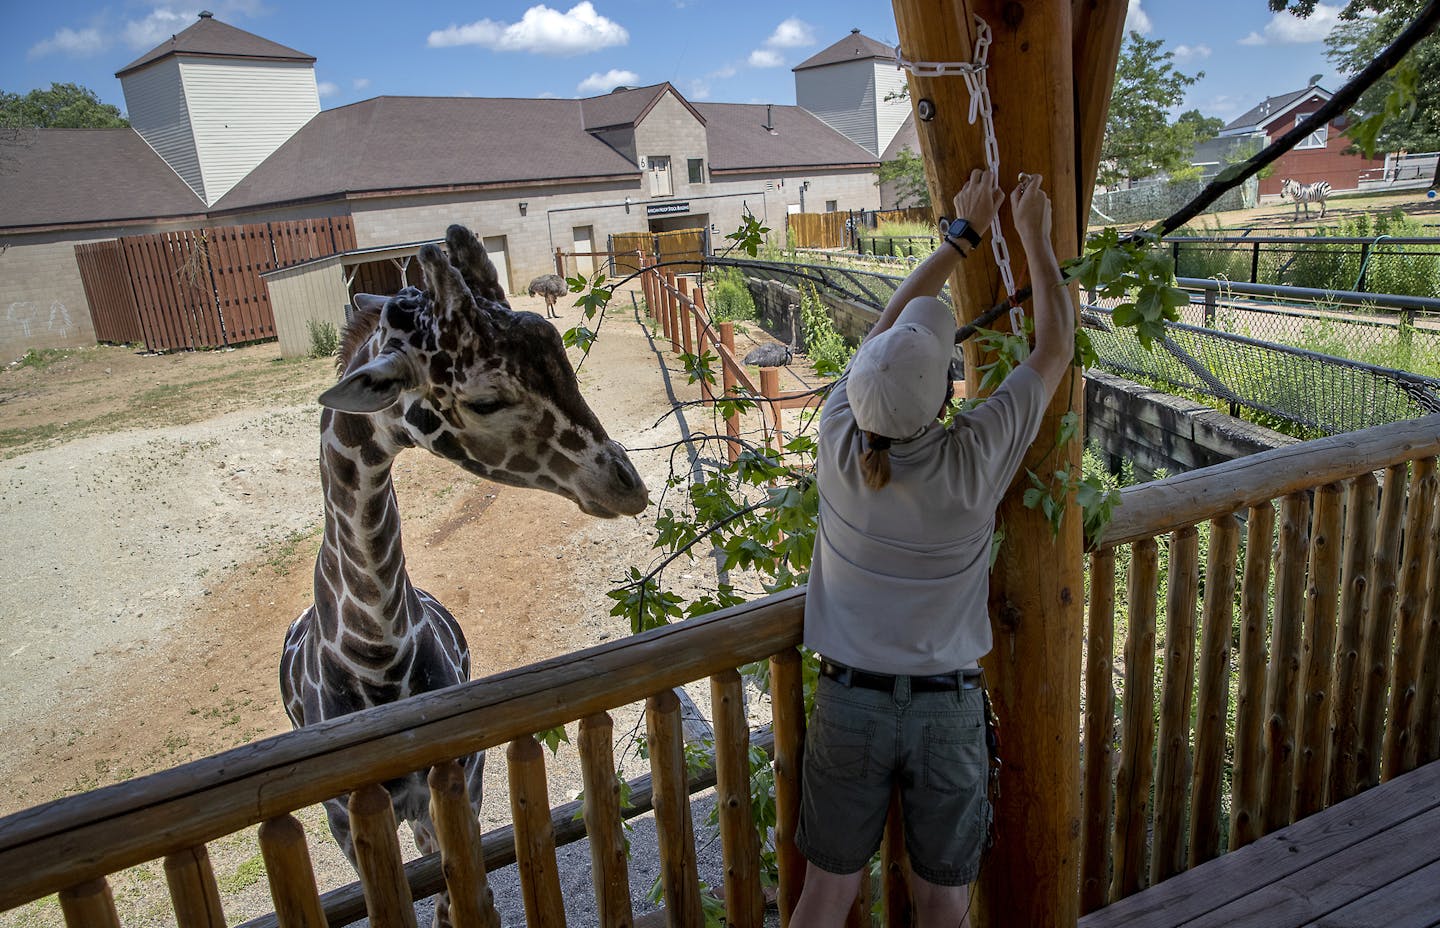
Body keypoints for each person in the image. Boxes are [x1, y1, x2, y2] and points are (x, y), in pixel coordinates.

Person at [790, 167, 1075, 928]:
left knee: (824, 896)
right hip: (946, 708)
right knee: (944, 902)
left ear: (859, 391)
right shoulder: (973, 461)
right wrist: (1036, 241)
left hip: (848, 700)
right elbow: (1054, 348)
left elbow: (883, 332)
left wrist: (960, 237)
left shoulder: (838, 438)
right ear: (946, 396)